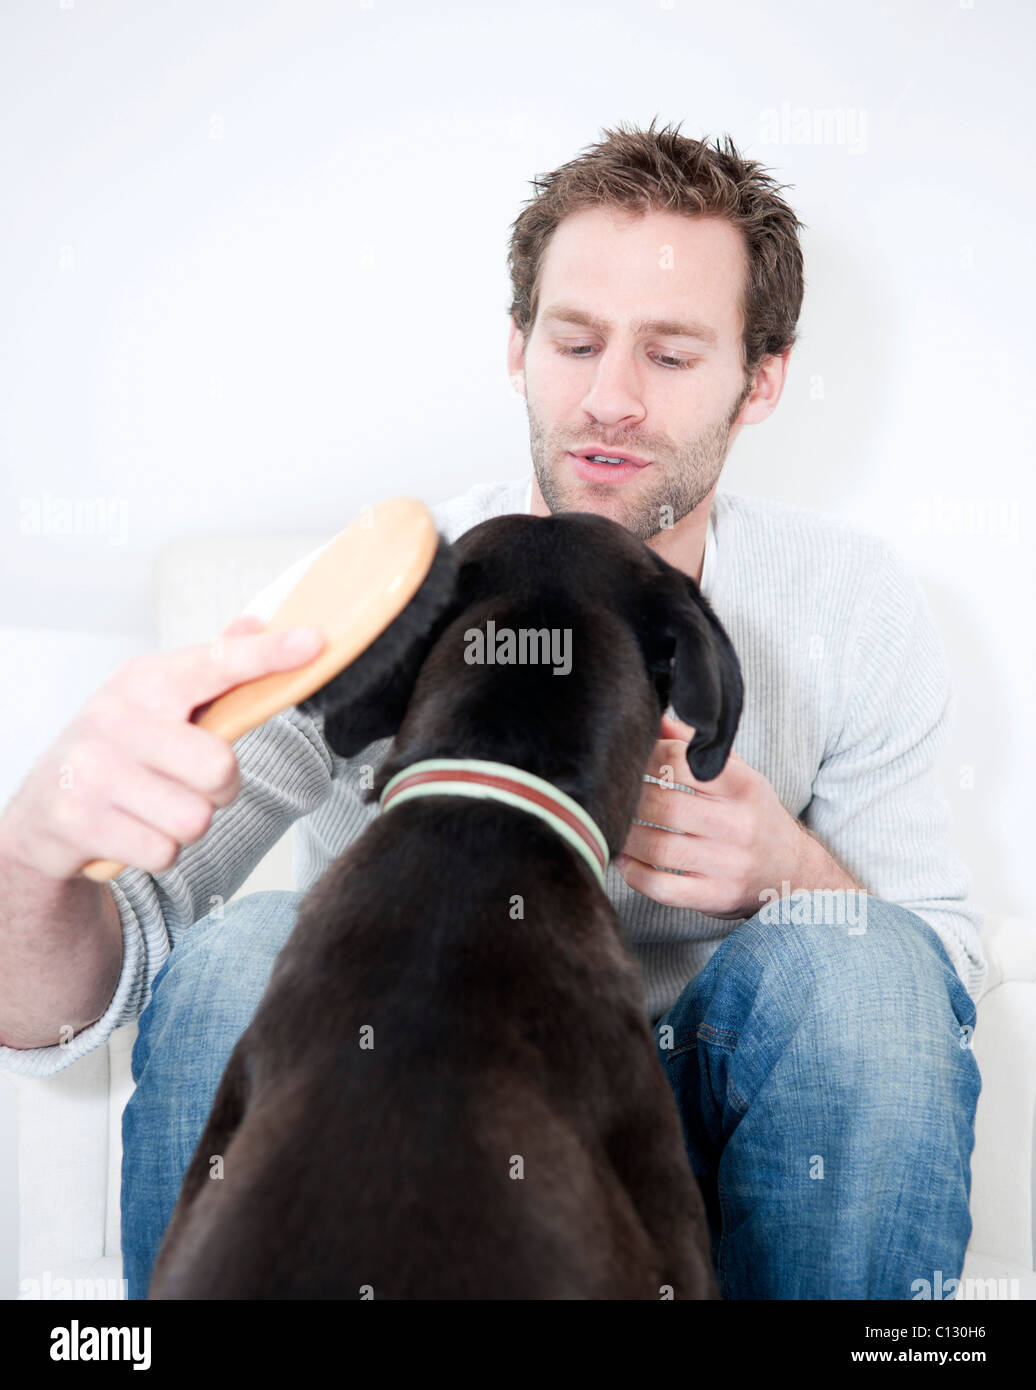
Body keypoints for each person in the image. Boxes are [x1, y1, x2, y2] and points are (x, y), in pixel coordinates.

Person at [0, 120, 983, 1300]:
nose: (609, 400)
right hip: (410, 1126)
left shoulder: (851, 603)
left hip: (714, 1139)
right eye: (574, 342)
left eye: (671, 356)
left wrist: (789, 871)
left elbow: (942, 972)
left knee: (864, 963)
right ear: (516, 347)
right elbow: (57, 1008)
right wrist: (32, 847)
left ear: (762, 377)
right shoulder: (378, 588)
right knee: (235, 960)